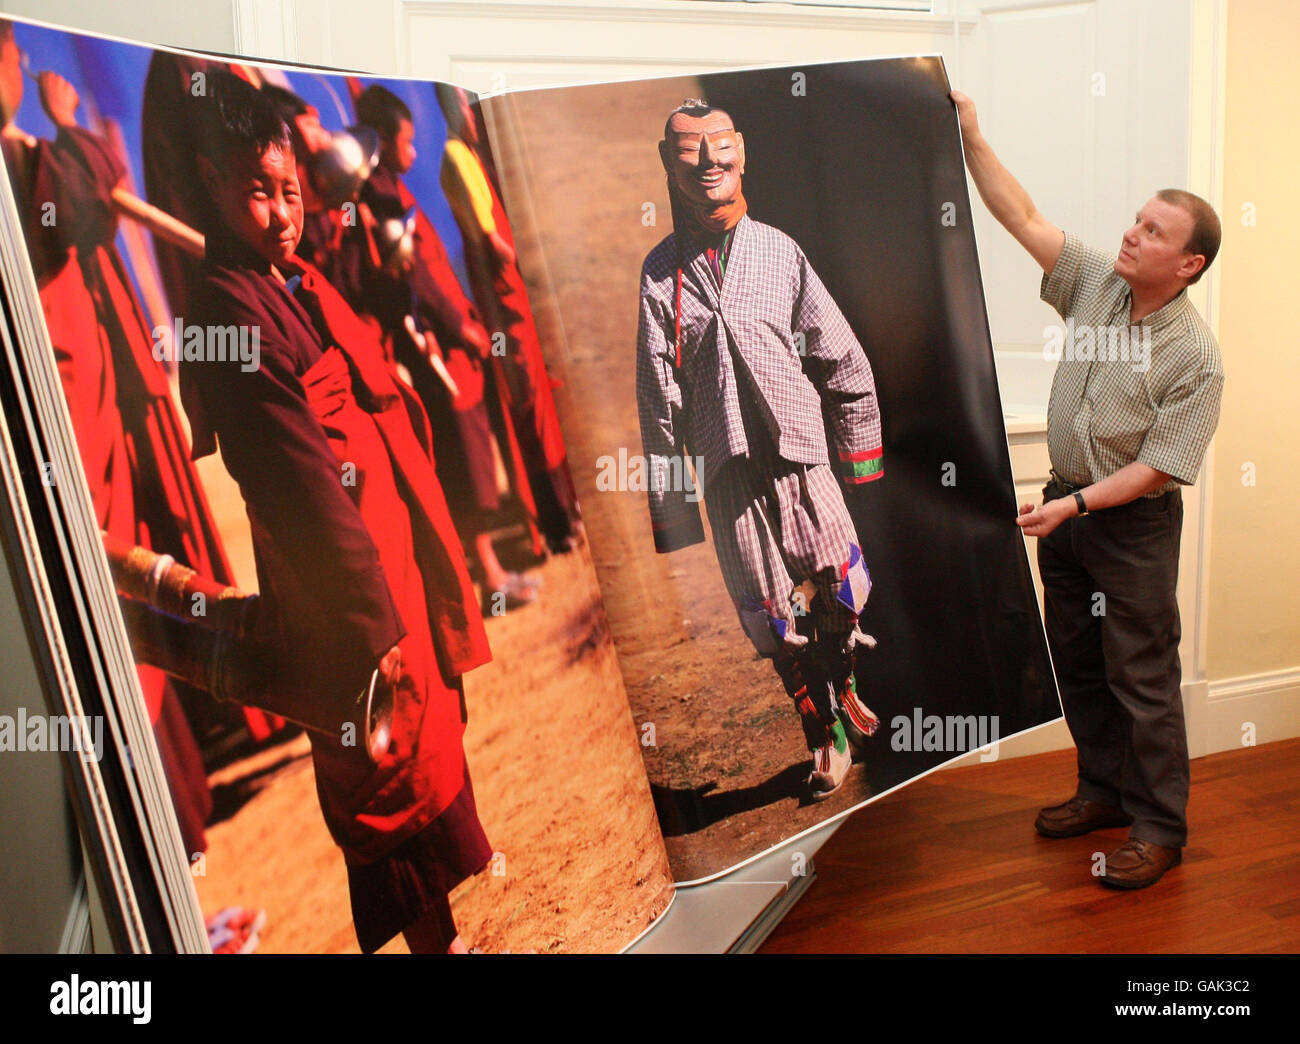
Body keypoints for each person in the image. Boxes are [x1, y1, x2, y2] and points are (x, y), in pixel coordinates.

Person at [184, 71, 493, 951]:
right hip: (345, 588)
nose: (283, 214)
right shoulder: (227, 311)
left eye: (289, 193)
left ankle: (446, 942)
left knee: (421, 758)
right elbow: (297, 480)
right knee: (386, 771)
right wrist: (368, 617)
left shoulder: (283, 276)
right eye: (259, 192)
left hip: (383, 554)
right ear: (210, 180)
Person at [953, 90, 1224, 889]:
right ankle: (1102, 793)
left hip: (1130, 529)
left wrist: (1071, 507)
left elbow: (1157, 468)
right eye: (1137, 222)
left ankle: (1159, 828)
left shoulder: (1196, 356)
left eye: (1154, 232)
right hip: (1067, 507)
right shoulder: (1099, 282)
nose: (1131, 235)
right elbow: (1021, 215)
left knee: (1141, 678)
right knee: (1077, 663)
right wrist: (970, 132)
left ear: (1189, 264)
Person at [635, 100, 884, 801]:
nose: (707, 160)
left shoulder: (779, 251)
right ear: (668, 164)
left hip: (801, 452)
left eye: (719, 144)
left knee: (842, 586)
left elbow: (841, 354)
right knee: (774, 616)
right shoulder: (660, 276)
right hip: (729, 475)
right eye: (689, 149)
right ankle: (822, 733)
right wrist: (674, 508)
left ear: (741, 152)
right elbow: (658, 404)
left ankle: (844, 681)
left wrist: (858, 449)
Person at [350, 84, 539, 611]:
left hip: (449, 343)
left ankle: (492, 572)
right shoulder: (379, 198)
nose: (414, 153)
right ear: (381, 139)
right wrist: (461, 328)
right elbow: (417, 279)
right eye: (406, 142)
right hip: (435, 350)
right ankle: (489, 578)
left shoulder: (391, 188)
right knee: (461, 458)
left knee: (471, 452)